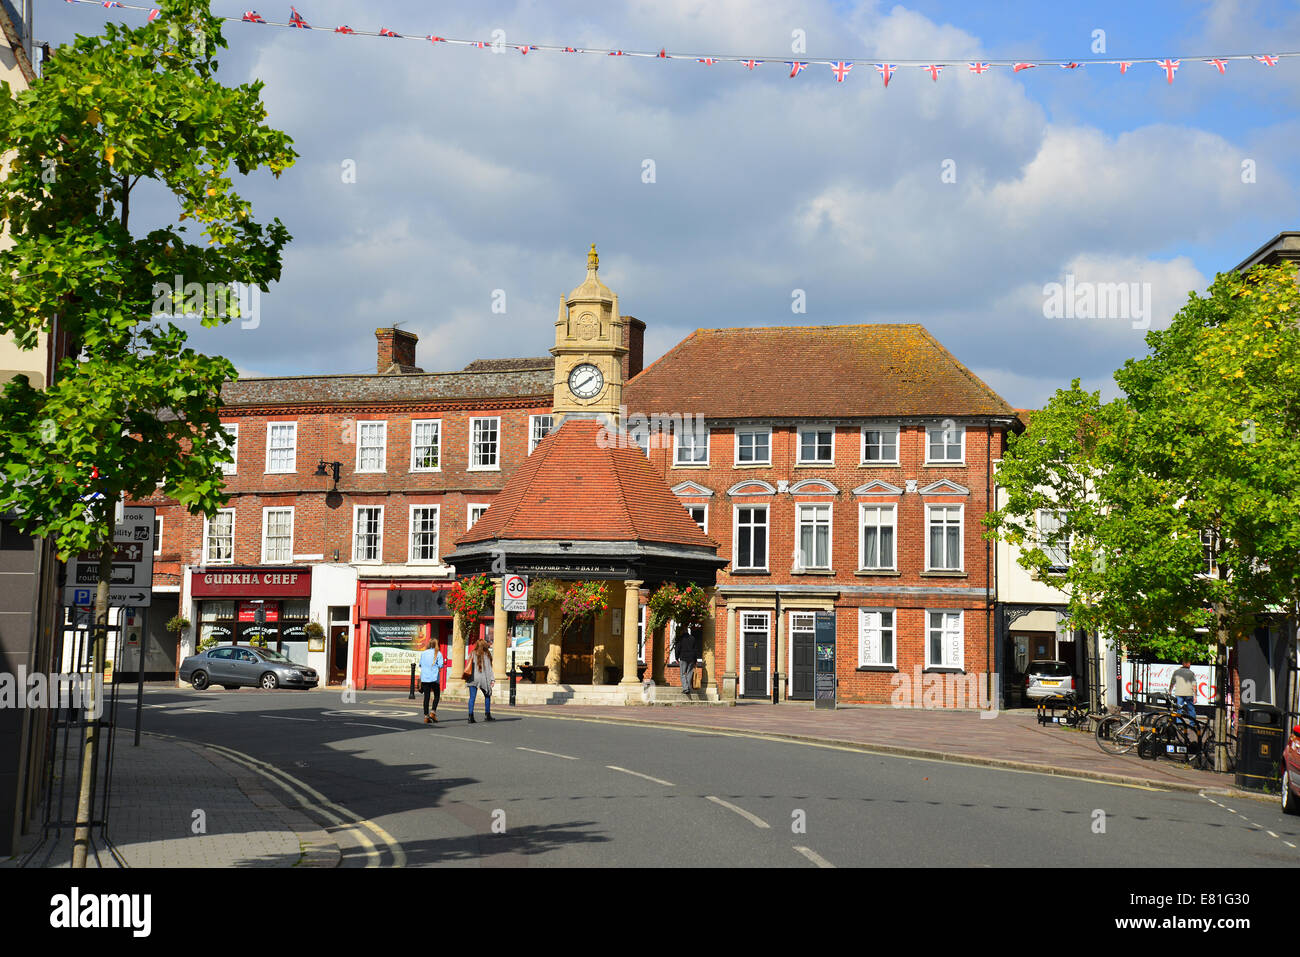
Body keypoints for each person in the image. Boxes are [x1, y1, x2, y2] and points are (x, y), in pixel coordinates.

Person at [468, 636, 495, 723]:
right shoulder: (486, 655)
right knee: (487, 696)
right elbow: (489, 669)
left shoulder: (472, 653)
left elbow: (468, 666)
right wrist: (492, 679)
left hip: (473, 678)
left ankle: (470, 716)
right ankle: (487, 715)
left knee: (472, 698)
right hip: (483, 678)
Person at [418, 640, 446, 724]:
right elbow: (441, 665)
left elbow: (420, 664)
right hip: (434, 678)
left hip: (425, 678)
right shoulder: (438, 653)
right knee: (436, 695)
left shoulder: (424, 653)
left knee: (426, 697)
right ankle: (433, 712)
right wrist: (435, 666)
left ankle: (426, 716)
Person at [1169, 660, 1198, 728]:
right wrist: (1195, 696)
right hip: (1189, 693)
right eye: (1189, 663)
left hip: (1179, 693)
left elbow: (1172, 682)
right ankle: (1192, 724)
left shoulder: (1176, 672)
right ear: (1187, 664)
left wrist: (1170, 690)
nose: (1190, 664)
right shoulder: (1191, 673)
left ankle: (1179, 724)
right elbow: (1194, 685)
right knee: (1191, 709)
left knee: (1179, 709)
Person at [677, 626, 698, 699]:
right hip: (691, 658)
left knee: (683, 674)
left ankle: (686, 688)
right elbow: (695, 650)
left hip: (683, 658)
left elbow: (678, 648)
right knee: (689, 673)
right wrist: (695, 660)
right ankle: (688, 687)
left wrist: (676, 657)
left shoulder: (681, 639)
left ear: (682, 631)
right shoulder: (692, 638)